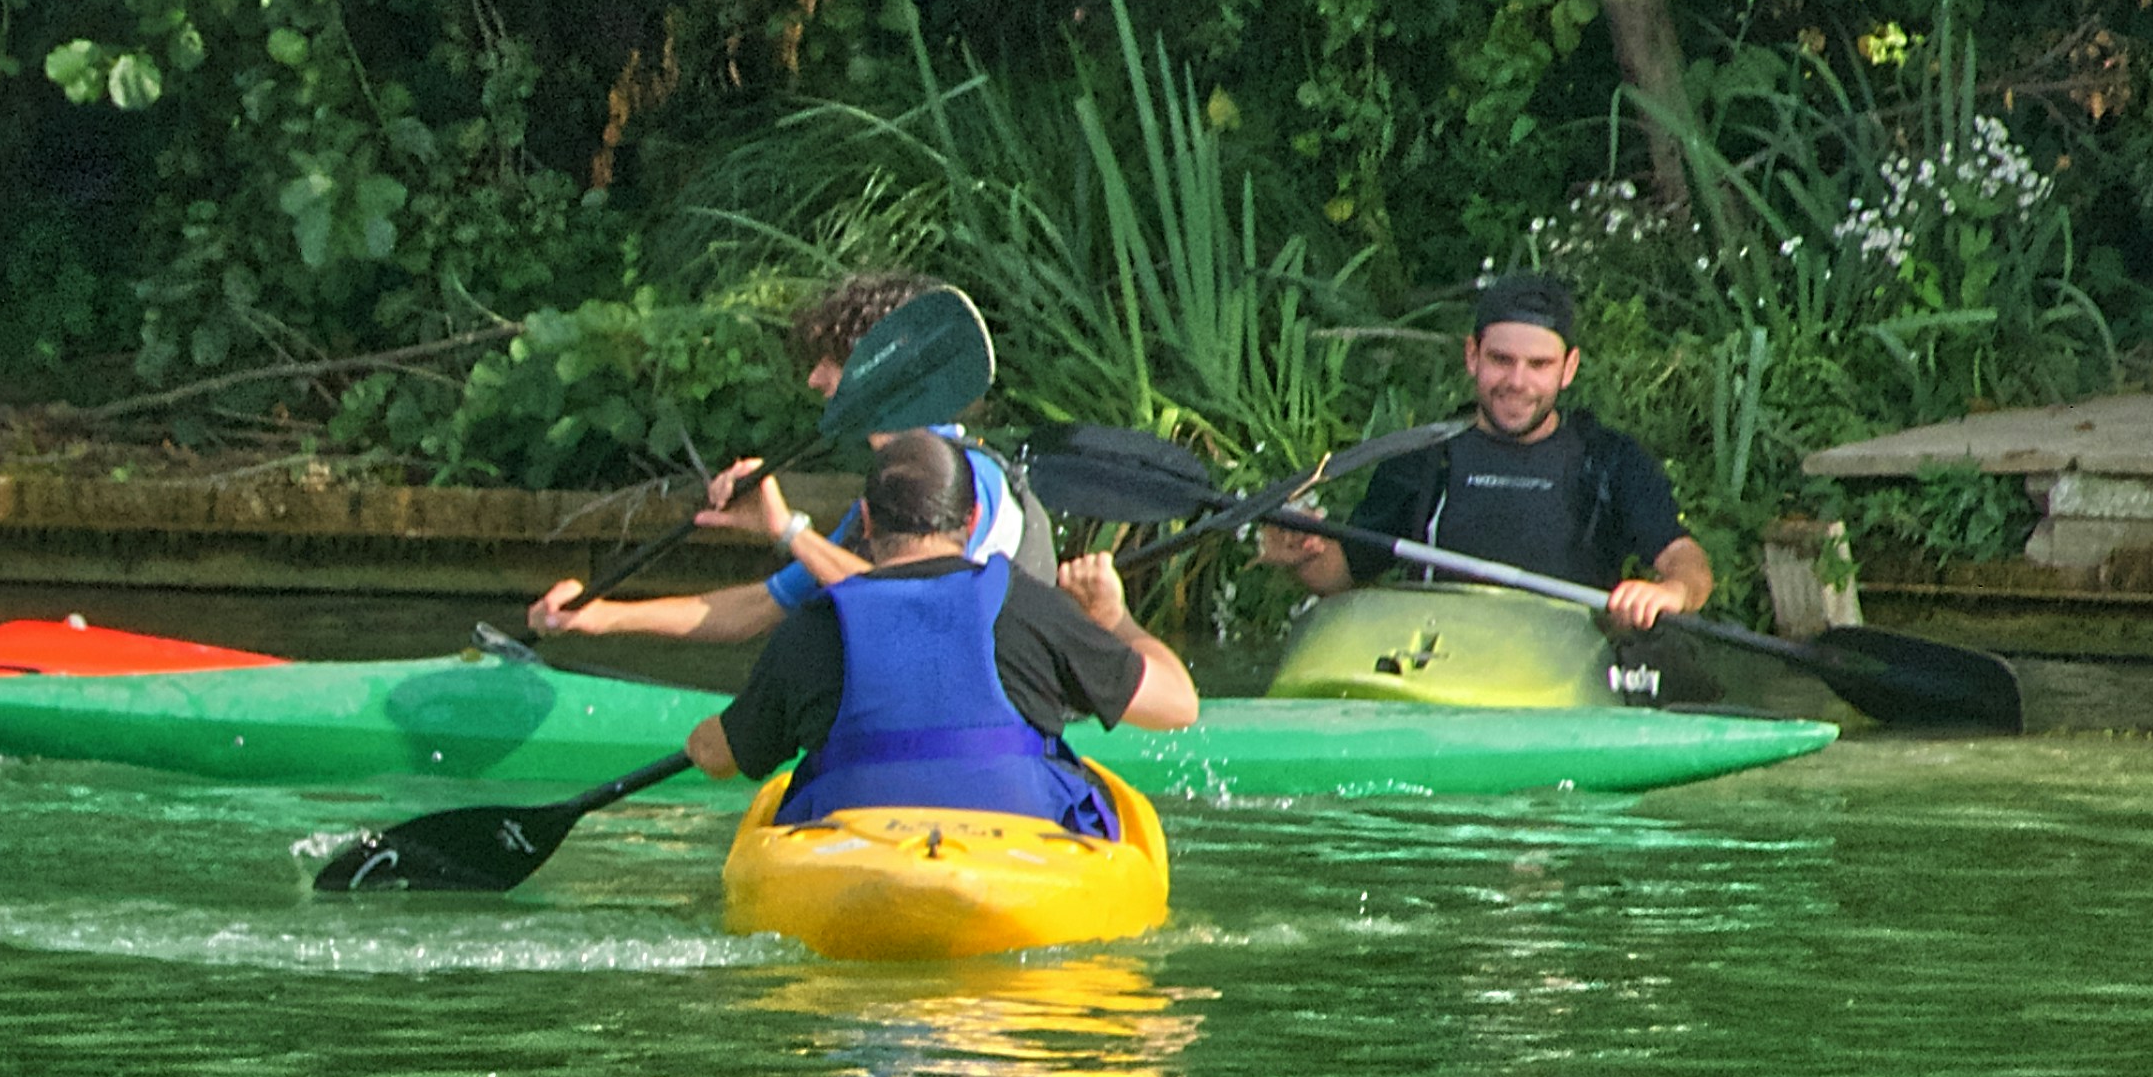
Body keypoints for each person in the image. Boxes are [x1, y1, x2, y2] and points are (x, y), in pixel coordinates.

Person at [695, 431, 1202, 830]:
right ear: (973, 516)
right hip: (1018, 846)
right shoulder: (1029, 607)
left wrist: (699, 742)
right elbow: (1178, 705)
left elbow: (723, 756)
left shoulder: (817, 623)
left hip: (855, 856)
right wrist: (1116, 620)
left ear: (866, 522)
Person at [525, 270, 1037, 647]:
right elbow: (757, 608)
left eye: (831, 362)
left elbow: (913, 603)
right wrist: (601, 616)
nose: (815, 380)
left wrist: (791, 532)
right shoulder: (882, 495)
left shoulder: (971, 479)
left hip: (995, 727)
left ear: (877, 372)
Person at [1253, 271, 1708, 630]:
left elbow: (1686, 562)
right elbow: (1345, 572)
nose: (1517, 382)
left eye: (1539, 365)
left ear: (1568, 369)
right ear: (1473, 356)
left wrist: (1672, 592)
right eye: (1501, 360)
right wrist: (1304, 555)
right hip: (1439, 665)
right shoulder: (1424, 456)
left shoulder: (1609, 459)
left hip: (1563, 671)